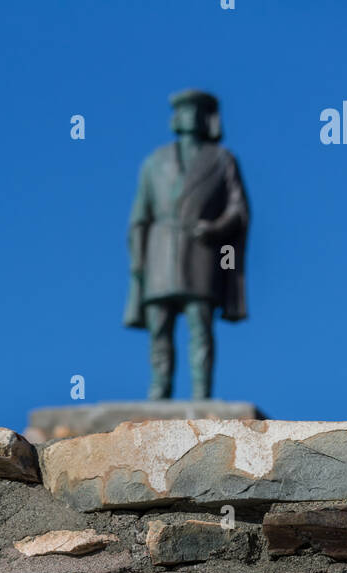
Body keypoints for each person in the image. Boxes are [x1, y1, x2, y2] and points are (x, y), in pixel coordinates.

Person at [125, 90, 249, 400]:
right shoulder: (155, 162)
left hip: (203, 252)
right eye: (182, 110)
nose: (188, 115)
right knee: (159, 327)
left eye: (195, 110)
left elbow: (238, 210)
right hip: (160, 250)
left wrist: (216, 228)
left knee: (200, 324)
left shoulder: (222, 160)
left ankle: (201, 392)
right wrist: (138, 261)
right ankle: (159, 387)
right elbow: (140, 216)